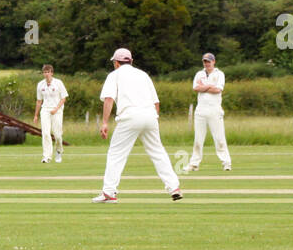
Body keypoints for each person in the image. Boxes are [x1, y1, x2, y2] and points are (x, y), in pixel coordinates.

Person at [93, 48, 182, 203]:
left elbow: (109, 99)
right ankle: (174, 187)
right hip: (150, 115)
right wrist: (153, 120)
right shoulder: (143, 75)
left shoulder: (114, 75)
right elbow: (156, 102)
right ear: (131, 61)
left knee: (116, 154)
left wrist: (105, 122)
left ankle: (109, 193)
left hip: (130, 116)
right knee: (157, 152)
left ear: (116, 63)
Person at [188, 52, 231, 172]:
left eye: (209, 61)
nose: (207, 63)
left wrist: (204, 87)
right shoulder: (199, 74)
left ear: (214, 62)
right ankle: (194, 164)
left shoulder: (219, 74)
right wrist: (209, 86)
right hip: (201, 110)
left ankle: (226, 162)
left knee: (219, 138)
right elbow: (196, 88)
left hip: (215, 109)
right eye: (205, 61)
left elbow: (218, 90)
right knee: (198, 139)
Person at [32, 64, 68, 163]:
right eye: (45, 72)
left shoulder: (58, 83)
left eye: (48, 72)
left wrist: (56, 109)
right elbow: (39, 101)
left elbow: (63, 98)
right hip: (45, 110)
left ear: (52, 73)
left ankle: (59, 151)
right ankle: (47, 156)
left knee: (57, 135)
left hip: (57, 110)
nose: (46, 74)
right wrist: (35, 115)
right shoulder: (40, 85)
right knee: (46, 133)